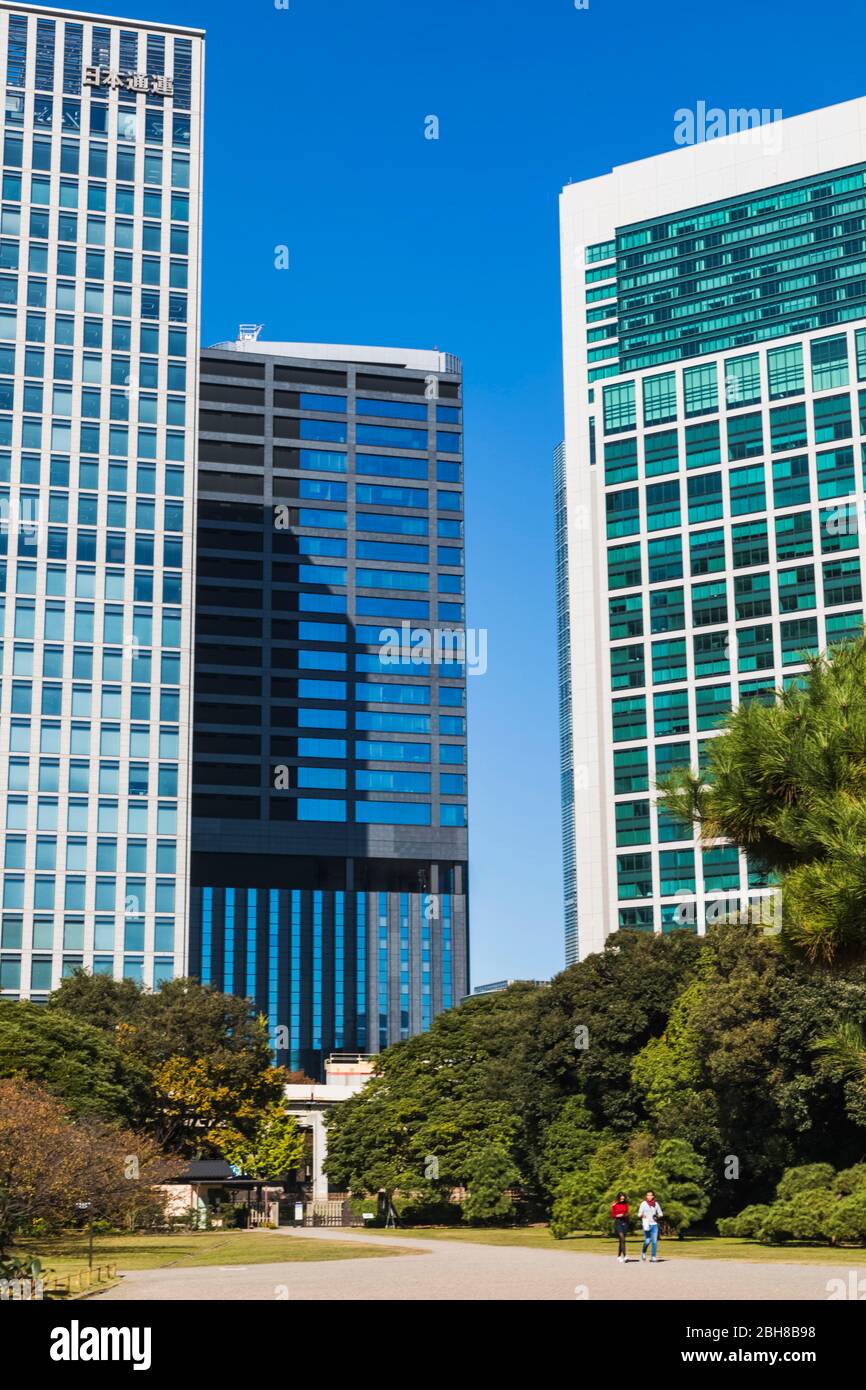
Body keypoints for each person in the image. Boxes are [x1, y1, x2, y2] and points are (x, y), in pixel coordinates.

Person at [638, 1190, 663, 1262]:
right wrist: (642, 1215)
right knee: (647, 1240)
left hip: (654, 1225)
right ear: (646, 1196)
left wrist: (657, 1216)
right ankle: (643, 1252)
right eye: (648, 1195)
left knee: (654, 1241)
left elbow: (661, 1213)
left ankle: (653, 1257)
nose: (649, 1196)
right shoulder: (643, 1203)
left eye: (650, 1195)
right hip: (646, 1224)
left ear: (653, 1196)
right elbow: (639, 1214)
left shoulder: (656, 1204)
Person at [610, 1191, 630, 1262]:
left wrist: (623, 1215)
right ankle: (625, 1256)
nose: (622, 1199)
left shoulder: (625, 1204)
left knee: (621, 1241)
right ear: (618, 1198)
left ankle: (619, 1256)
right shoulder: (614, 1205)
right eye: (621, 1198)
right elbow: (612, 1215)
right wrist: (617, 1215)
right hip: (618, 1222)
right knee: (622, 1239)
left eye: (623, 1198)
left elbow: (628, 1213)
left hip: (625, 1222)